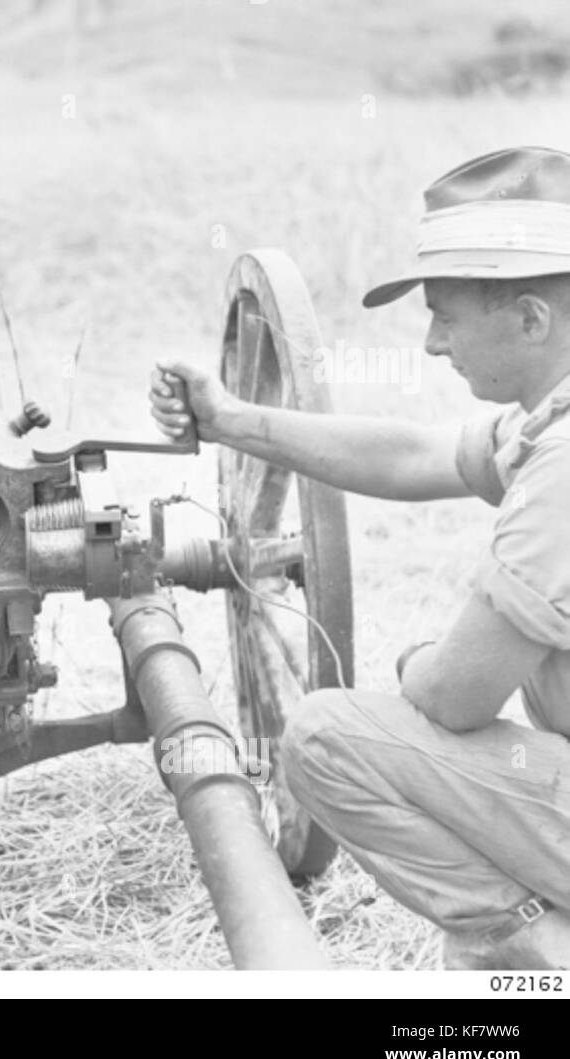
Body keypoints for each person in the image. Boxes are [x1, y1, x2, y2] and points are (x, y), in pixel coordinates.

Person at [149, 146, 570, 970]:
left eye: (445, 315)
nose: (431, 344)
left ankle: (534, 959)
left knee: (324, 737)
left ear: (531, 318)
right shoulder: (546, 422)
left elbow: (454, 696)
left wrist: (418, 664)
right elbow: (417, 454)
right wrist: (231, 418)